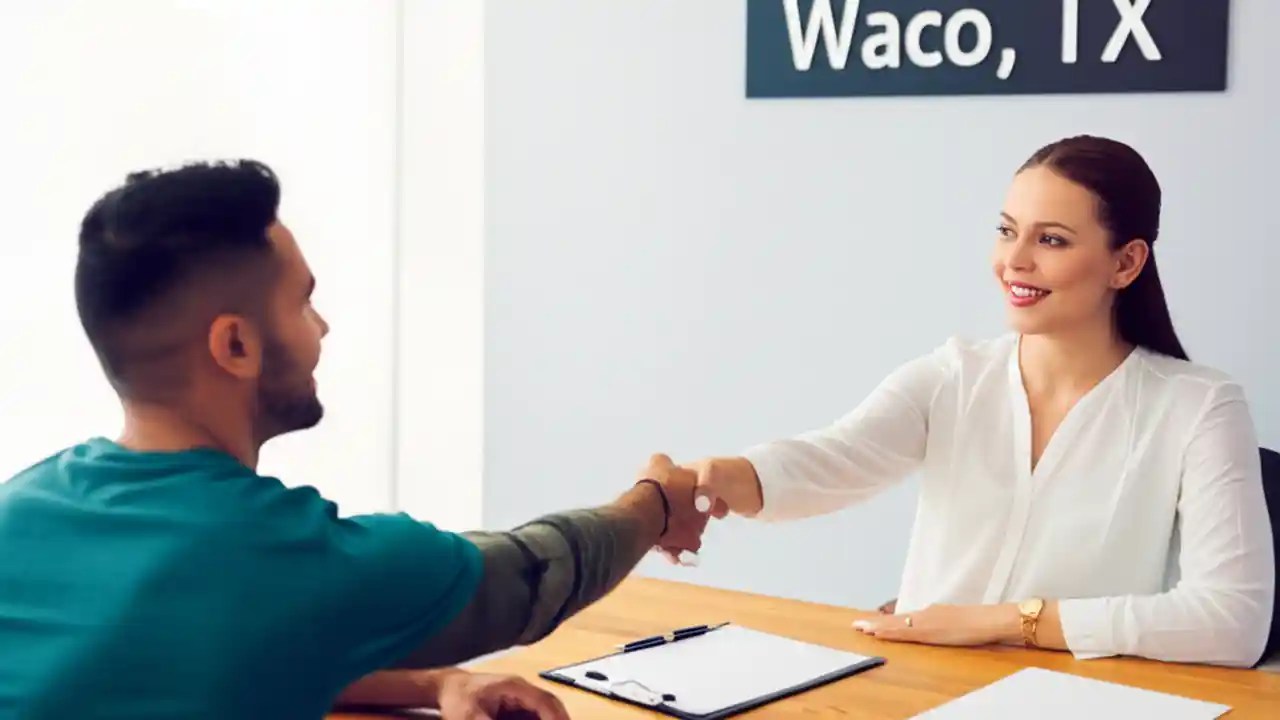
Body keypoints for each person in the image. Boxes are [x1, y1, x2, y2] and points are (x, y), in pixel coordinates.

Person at [0, 161, 708, 719]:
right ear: (237, 344)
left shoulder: (19, 513)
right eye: (304, 300)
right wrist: (655, 503)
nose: (323, 327)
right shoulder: (290, 557)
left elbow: (210, 651)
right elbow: (534, 574)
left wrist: (436, 682)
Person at [681, 135, 1275, 668]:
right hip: (923, 687)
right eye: (1006, 230)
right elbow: (834, 459)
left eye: (1051, 240)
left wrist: (997, 622)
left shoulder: (1199, 406)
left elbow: (1232, 622)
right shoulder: (954, 376)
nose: (1014, 260)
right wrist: (719, 478)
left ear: (1126, 263)